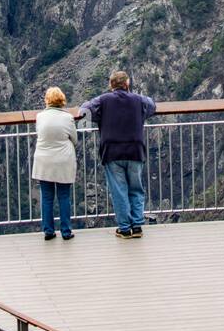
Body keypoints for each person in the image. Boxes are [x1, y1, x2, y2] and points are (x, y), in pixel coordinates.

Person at [77, 71, 156, 239]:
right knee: (136, 189)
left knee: (119, 191)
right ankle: (137, 226)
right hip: (135, 150)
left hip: (112, 151)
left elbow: (84, 110)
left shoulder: (103, 100)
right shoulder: (138, 100)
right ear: (127, 84)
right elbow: (152, 105)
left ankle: (125, 228)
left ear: (111, 85)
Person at [32, 86, 77, 241]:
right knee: (64, 196)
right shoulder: (68, 118)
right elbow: (75, 139)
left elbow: (40, 134)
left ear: (47, 100)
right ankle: (66, 231)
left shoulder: (40, 117)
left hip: (44, 160)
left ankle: (48, 231)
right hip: (63, 160)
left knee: (47, 197)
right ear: (62, 100)